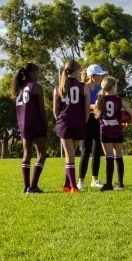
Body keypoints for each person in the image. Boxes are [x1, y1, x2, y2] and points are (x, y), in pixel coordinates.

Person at [53, 58, 90, 193]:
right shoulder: (83, 87)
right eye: (79, 70)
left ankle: (68, 184)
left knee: (70, 155)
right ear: (76, 71)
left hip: (64, 123)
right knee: (71, 154)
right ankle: (73, 186)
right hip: (78, 122)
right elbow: (87, 110)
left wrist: (61, 121)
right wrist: (82, 122)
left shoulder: (58, 87)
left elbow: (55, 111)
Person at [11, 62, 48, 194]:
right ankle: (33, 186)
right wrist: (47, 126)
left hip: (23, 125)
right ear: (32, 74)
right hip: (36, 123)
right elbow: (42, 110)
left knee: (26, 155)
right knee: (42, 154)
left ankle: (26, 187)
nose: (39, 75)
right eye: (38, 73)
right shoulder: (36, 87)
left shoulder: (18, 87)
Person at [95, 76, 132, 190]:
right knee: (119, 156)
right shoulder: (119, 100)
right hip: (117, 130)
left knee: (109, 157)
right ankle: (120, 183)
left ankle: (108, 184)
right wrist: (126, 124)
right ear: (113, 87)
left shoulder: (99, 100)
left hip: (105, 130)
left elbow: (97, 115)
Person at [78, 64, 105, 190]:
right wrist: (92, 107)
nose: (101, 77)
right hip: (86, 121)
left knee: (96, 151)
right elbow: (80, 105)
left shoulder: (100, 89)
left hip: (97, 121)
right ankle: (80, 181)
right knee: (85, 151)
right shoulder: (83, 88)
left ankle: (94, 179)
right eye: (99, 75)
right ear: (91, 75)